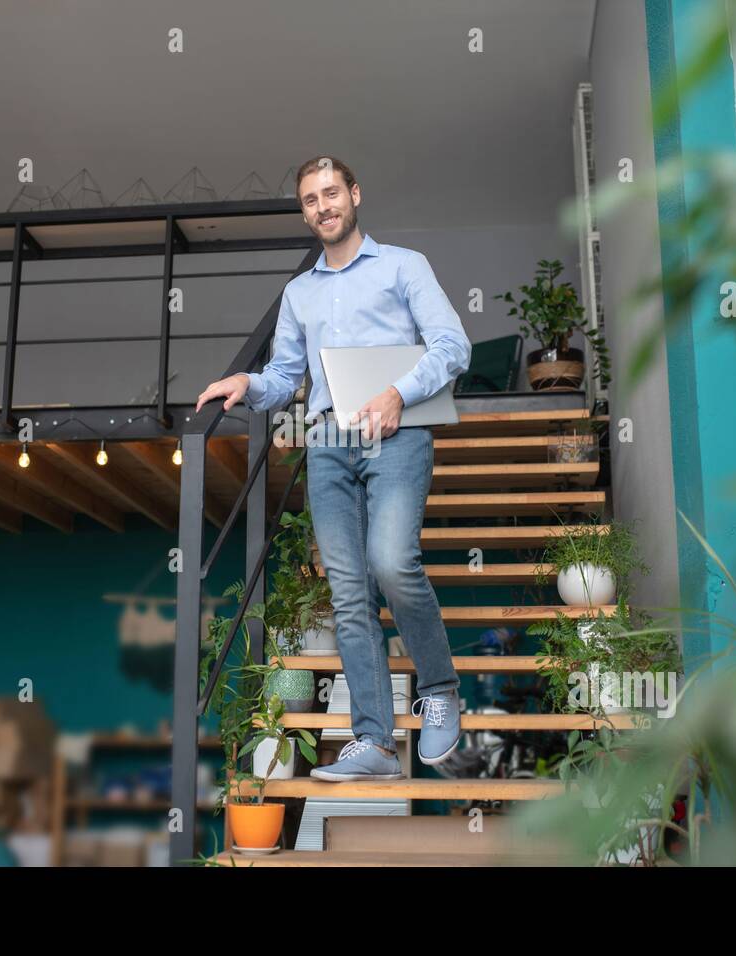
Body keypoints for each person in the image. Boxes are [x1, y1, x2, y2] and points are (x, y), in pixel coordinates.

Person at [194, 156, 472, 780]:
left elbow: (454, 345)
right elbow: (286, 376)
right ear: (305, 212)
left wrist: (398, 393)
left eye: (331, 193)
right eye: (310, 200)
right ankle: (372, 742)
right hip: (329, 442)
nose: (323, 207)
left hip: (398, 434)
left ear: (355, 195)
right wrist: (247, 380)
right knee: (347, 592)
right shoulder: (299, 293)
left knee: (392, 562)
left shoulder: (404, 266)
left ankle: (441, 689)